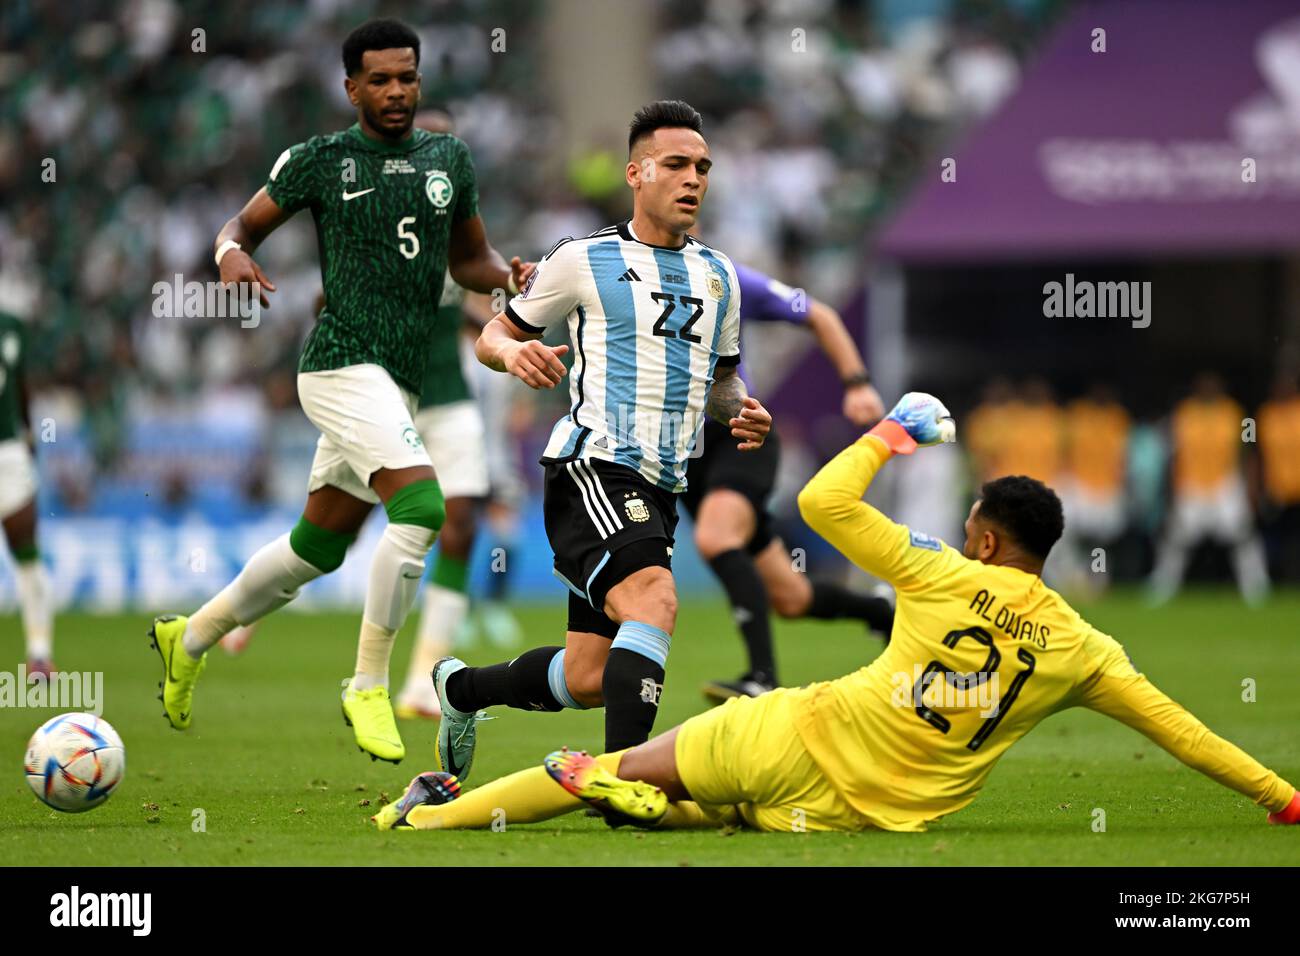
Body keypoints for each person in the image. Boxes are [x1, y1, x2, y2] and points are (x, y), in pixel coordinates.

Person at [372, 392, 1300, 833]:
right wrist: (1282, 796)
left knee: (603, 768)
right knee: (706, 814)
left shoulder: (936, 572)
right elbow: (1182, 732)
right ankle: (656, 804)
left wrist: (890, 434)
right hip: (867, 815)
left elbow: (821, 503)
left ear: (981, 541)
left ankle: (423, 820)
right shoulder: (1083, 648)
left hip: (803, 735)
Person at [150, 18, 531, 764]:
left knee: (315, 548)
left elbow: (471, 257)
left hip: (401, 383)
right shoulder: (320, 161)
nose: (396, 92)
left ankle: (187, 636)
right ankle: (368, 684)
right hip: (338, 365)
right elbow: (241, 226)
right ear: (350, 86)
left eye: (408, 77)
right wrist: (230, 254)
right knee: (423, 506)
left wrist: (514, 275)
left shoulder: (448, 158)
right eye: (380, 80)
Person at [431, 99, 772, 781]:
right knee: (655, 598)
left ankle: (458, 690)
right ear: (636, 173)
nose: (693, 179)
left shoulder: (720, 278)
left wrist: (742, 411)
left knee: (587, 678)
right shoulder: (583, 259)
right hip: (595, 467)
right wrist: (511, 356)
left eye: (702, 166)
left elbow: (720, 384)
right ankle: (622, 781)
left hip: (662, 485)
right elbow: (500, 331)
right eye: (675, 164)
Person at [678, 261, 893, 703]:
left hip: (738, 434)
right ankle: (881, 611)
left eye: (695, 188)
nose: (688, 194)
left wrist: (856, 384)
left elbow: (819, 314)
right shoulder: (620, 270)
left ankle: (761, 677)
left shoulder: (725, 276)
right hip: (680, 455)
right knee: (790, 597)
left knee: (716, 537)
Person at [1148, 373, 1269, 606]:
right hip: (1192, 484)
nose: (1208, 389)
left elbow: (1247, 451)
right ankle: (1162, 586)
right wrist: (1172, 489)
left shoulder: (1234, 413)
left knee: (1242, 535)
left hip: (1225, 484)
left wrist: (1251, 488)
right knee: (1177, 537)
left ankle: (1256, 586)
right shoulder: (1184, 413)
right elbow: (1173, 455)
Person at [0, 310, 54, 679]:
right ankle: (39, 655)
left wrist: (28, 434)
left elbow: (21, 386)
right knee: (28, 557)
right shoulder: (10, 324)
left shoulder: (12, 323)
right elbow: (22, 386)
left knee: (26, 554)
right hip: (10, 453)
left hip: (8, 452)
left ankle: (39, 654)